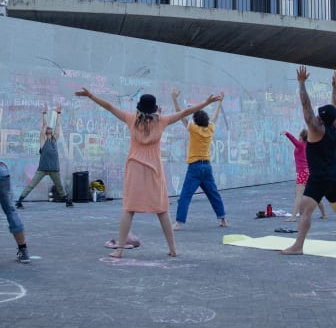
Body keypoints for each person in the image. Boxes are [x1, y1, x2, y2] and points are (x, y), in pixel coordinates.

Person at [74, 87, 222, 258]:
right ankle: (173, 249)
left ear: (139, 108)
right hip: (154, 169)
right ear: (154, 109)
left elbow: (109, 106)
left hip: (134, 168)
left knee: (129, 208)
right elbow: (186, 112)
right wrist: (207, 102)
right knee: (162, 209)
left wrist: (90, 95)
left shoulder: (131, 119)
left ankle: (120, 250)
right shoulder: (161, 121)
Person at [280, 67, 336, 255]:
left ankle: (298, 246)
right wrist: (334, 86)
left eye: (319, 115)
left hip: (319, 178)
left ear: (322, 119)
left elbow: (306, 107)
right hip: (334, 177)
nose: (316, 116)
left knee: (305, 209)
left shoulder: (316, 130)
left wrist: (301, 83)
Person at [170, 88, 227, 229]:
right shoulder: (210, 129)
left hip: (194, 167)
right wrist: (220, 103)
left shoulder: (193, 129)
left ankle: (178, 223)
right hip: (207, 167)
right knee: (214, 194)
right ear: (206, 121)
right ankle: (223, 219)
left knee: (185, 196)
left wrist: (175, 99)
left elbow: (181, 115)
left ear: (195, 121)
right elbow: (215, 116)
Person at [16, 103, 71, 208]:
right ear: (45, 132)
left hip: (54, 169)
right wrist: (44, 113)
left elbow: (58, 126)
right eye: (47, 129)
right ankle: (19, 201)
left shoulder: (54, 140)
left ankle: (67, 201)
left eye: (50, 128)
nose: (49, 128)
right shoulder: (43, 141)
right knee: (32, 185)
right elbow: (44, 125)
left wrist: (59, 113)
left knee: (60, 187)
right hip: (42, 169)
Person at [283, 129, 327, 221]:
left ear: (301, 137)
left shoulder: (300, 145)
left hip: (302, 173)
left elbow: (293, 140)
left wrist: (287, 133)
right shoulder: (309, 146)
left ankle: (293, 217)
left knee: (298, 195)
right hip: (309, 172)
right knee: (315, 194)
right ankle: (324, 214)